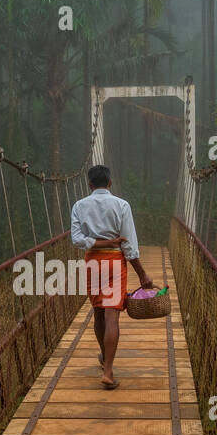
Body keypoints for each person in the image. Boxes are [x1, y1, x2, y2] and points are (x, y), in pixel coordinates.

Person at [69, 165, 155, 389]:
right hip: (114, 262)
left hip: (92, 263)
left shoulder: (79, 206)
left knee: (98, 315)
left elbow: (77, 240)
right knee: (112, 318)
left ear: (89, 185)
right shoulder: (121, 205)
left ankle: (104, 357)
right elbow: (129, 245)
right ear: (110, 183)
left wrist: (97, 242)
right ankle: (108, 371)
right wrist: (142, 274)